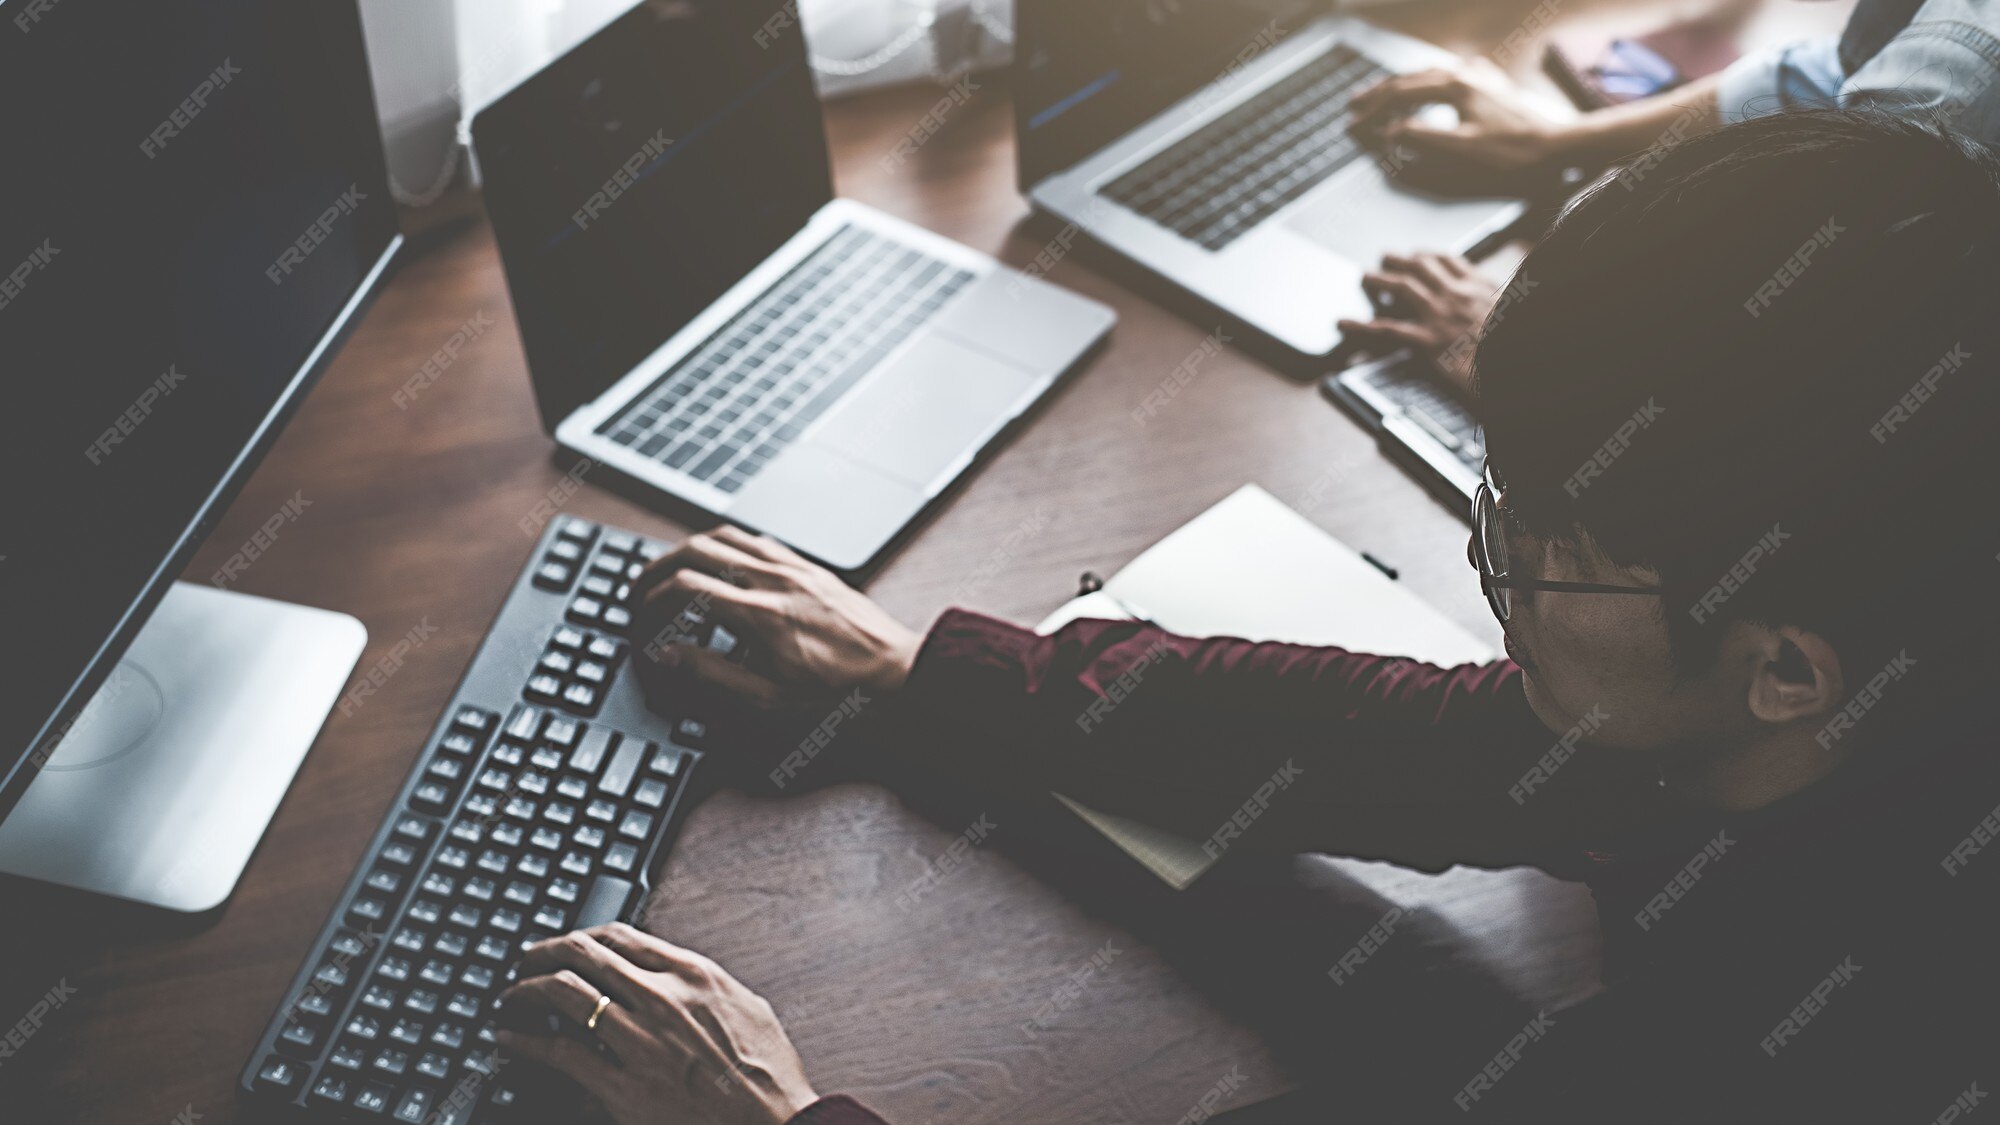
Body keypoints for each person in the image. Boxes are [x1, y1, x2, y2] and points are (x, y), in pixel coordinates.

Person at [497, 110, 2000, 1123]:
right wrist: (922, 671)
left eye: (1551, 559)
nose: (1499, 585)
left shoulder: (1809, 1037)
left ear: (1791, 670)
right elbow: (1419, 744)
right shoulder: (1826, 680)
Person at [1338, 0, 2000, 391]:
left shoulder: (1959, 91)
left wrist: (1520, 366)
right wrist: (1565, 141)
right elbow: (1838, 80)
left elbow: (1779, 397)